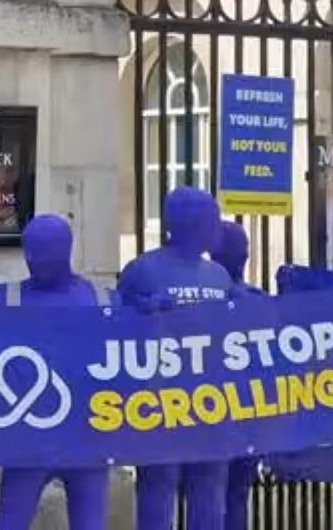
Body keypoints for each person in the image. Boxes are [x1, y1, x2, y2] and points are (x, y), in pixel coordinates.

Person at [118, 187, 236, 530]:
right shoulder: (142, 270)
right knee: (159, 486)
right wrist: (141, 314)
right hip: (159, 403)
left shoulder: (219, 275)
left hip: (212, 402)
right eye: (214, 219)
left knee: (210, 489)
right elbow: (113, 332)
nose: (219, 226)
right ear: (195, 223)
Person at [0, 214, 109, 530]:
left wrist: (150, 314)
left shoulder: (102, 299)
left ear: (65, 251)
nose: (32, 258)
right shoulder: (8, 298)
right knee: (11, 524)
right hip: (28, 437)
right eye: (28, 250)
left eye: (42, 251)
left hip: (87, 435)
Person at [209, 220, 264, 530]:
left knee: (209, 491)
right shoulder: (258, 300)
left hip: (209, 410)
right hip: (249, 412)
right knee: (236, 494)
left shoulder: (203, 302)